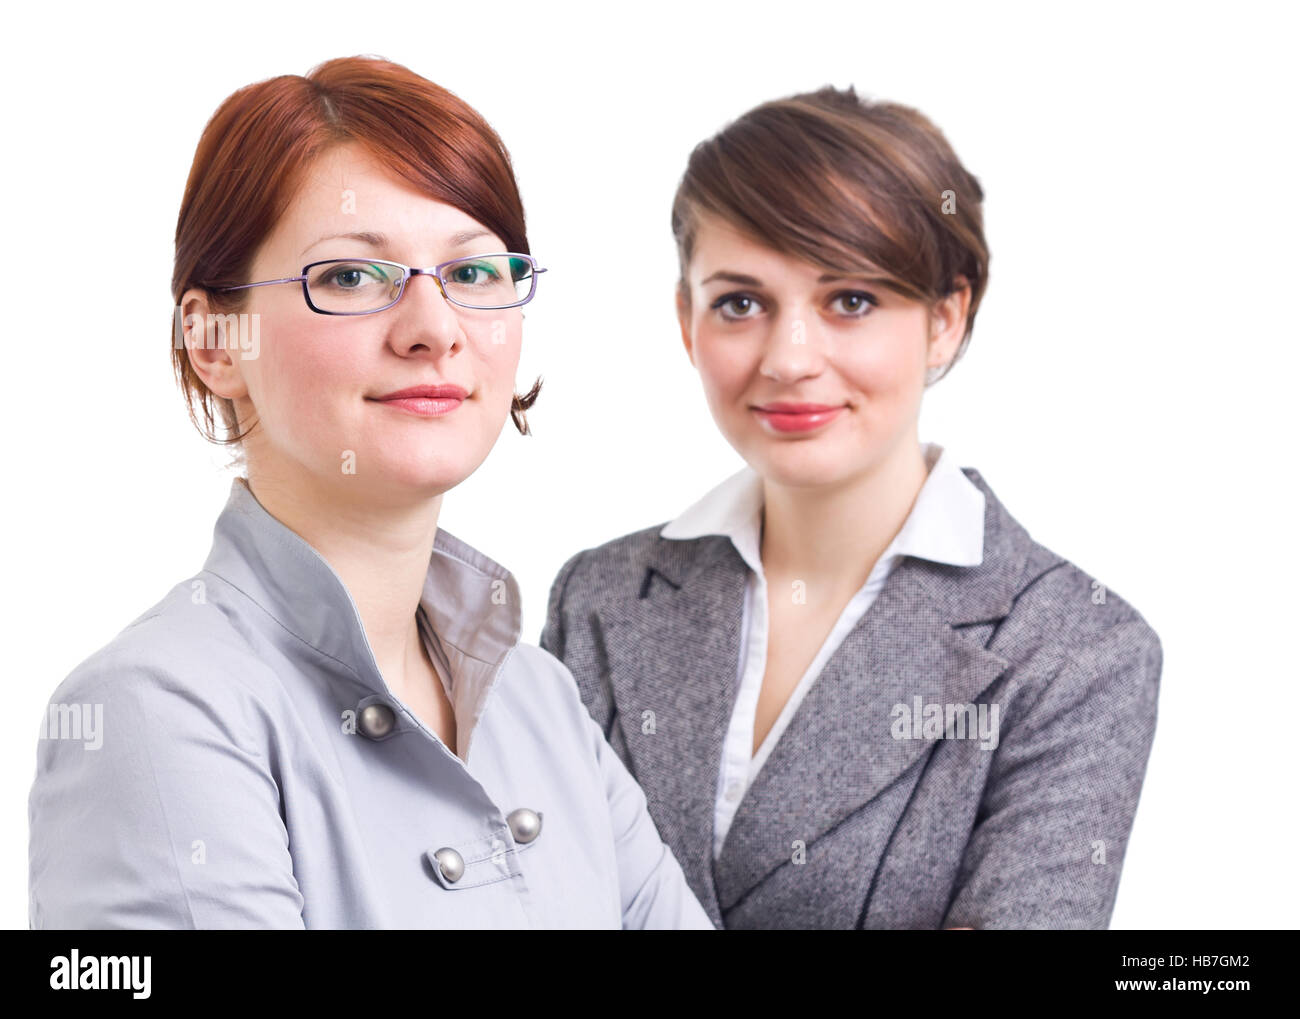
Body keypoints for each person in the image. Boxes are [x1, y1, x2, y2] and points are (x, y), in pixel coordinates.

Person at [28, 56, 713, 930]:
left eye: (473, 274)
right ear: (213, 341)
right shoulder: (152, 711)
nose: (435, 330)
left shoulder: (538, 697)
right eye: (352, 277)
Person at [541, 86, 1162, 930]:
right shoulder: (602, 595)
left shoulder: (1077, 652)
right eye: (741, 302)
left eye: (852, 301)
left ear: (946, 318)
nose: (791, 358)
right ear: (687, 322)